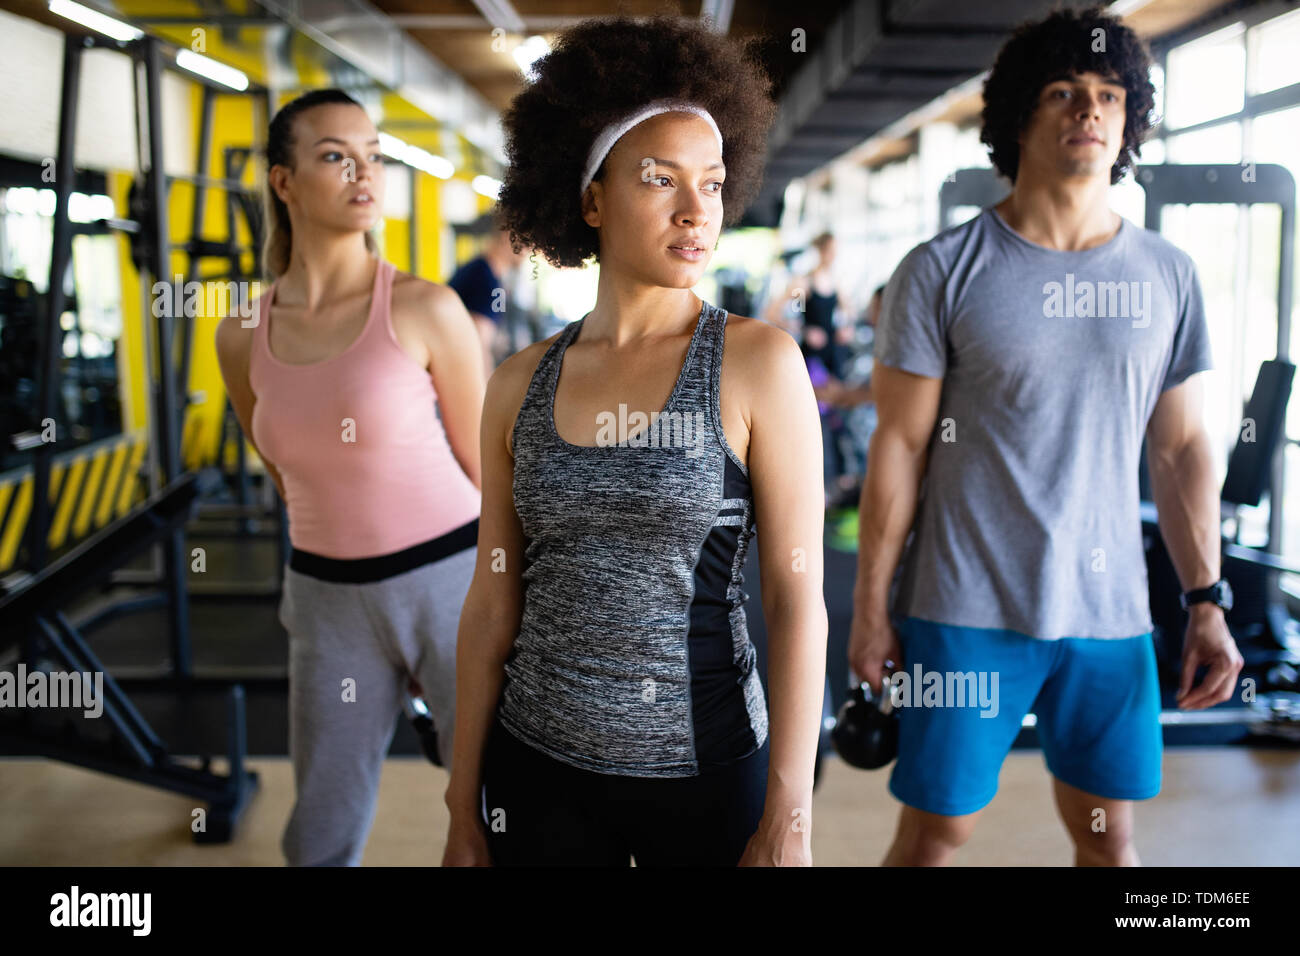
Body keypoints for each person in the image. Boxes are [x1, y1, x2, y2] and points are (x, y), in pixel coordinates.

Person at [850, 5, 1243, 866]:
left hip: (1109, 616)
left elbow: (1179, 452)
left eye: (1109, 96)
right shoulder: (941, 270)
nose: (1089, 112)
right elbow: (900, 448)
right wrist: (871, 611)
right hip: (962, 607)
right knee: (935, 834)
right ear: (1019, 115)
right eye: (1065, 92)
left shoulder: (1168, 276)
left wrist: (1205, 601)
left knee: (1111, 838)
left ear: (1130, 120)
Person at [440, 14, 827, 867]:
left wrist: (789, 813)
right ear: (590, 198)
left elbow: (798, 602)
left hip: (707, 773)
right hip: (535, 770)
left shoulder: (758, 363)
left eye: (715, 183)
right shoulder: (520, 383)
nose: (698, 210)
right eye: (661, 180)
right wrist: (462, 804)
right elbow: (492, 604)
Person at [214, 89, 486, 866]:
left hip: (449, 585)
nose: (364, 173)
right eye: (336, 155)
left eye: (374, 156)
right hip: (327, 600)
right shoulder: (242, 334)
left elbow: (489, 470)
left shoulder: (427, 309)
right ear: (283, 181)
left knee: (496, 810)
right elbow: (283, 465)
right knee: (321, 834)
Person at [447, 223, 531, 373]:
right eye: (527, 241)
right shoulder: (485, 280)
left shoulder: (488, 276)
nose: (531, 250)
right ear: (508, 236)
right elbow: (478, 347)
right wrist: (489, 393)